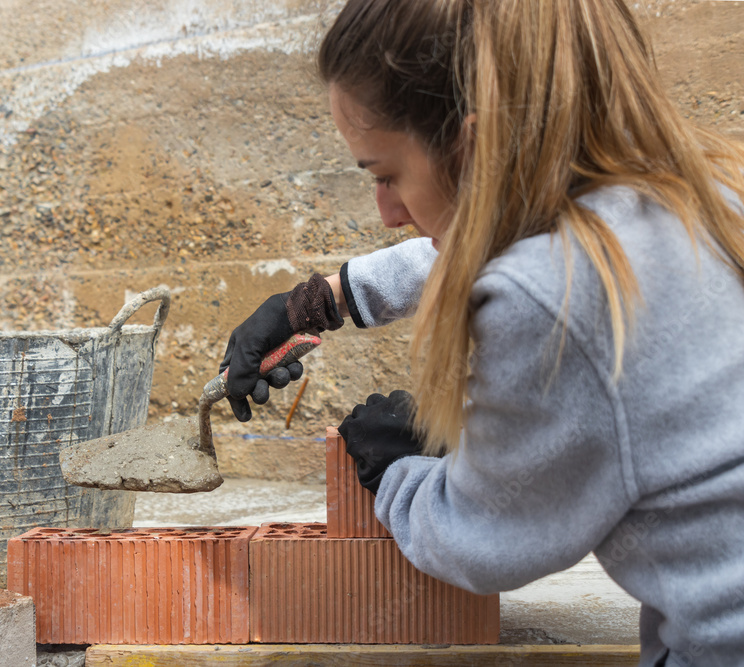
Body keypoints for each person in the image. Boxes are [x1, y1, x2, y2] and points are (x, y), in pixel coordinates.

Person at [219, 1, 744, 664]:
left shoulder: (553, 294)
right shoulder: (710, 193)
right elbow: (508, 234)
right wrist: (323, 299)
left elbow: (482, 537)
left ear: (471, 147)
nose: (385, 213)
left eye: (387, 175)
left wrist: (397, 472)